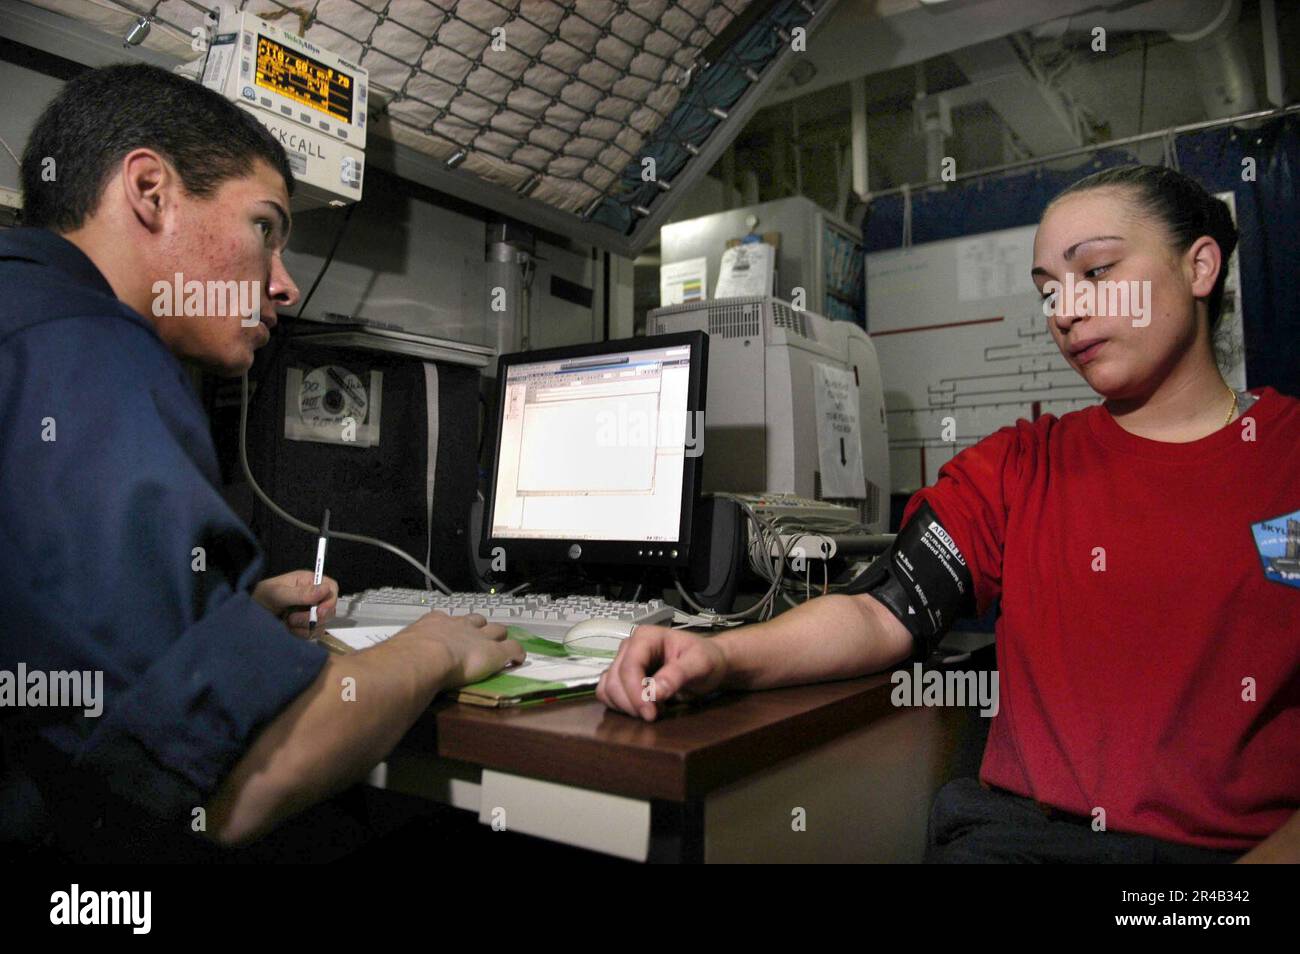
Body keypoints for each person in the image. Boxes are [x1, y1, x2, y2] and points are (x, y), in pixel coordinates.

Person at [597, 165, 1300, 864]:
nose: (1065, 311)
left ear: (1200, 266)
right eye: (1048, 290)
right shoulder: (1021, 468)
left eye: (1096, 271)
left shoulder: (1286, 461)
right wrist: (722, 656)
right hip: (1020, 845)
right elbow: (883, 611)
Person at [0, 63, 524, 860]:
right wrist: (431, 649)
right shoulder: (89, 352)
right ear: (150, 191)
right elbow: (221, 788)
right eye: (265, 228)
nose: (282, 285)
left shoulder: (28, 321)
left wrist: (227, 634)